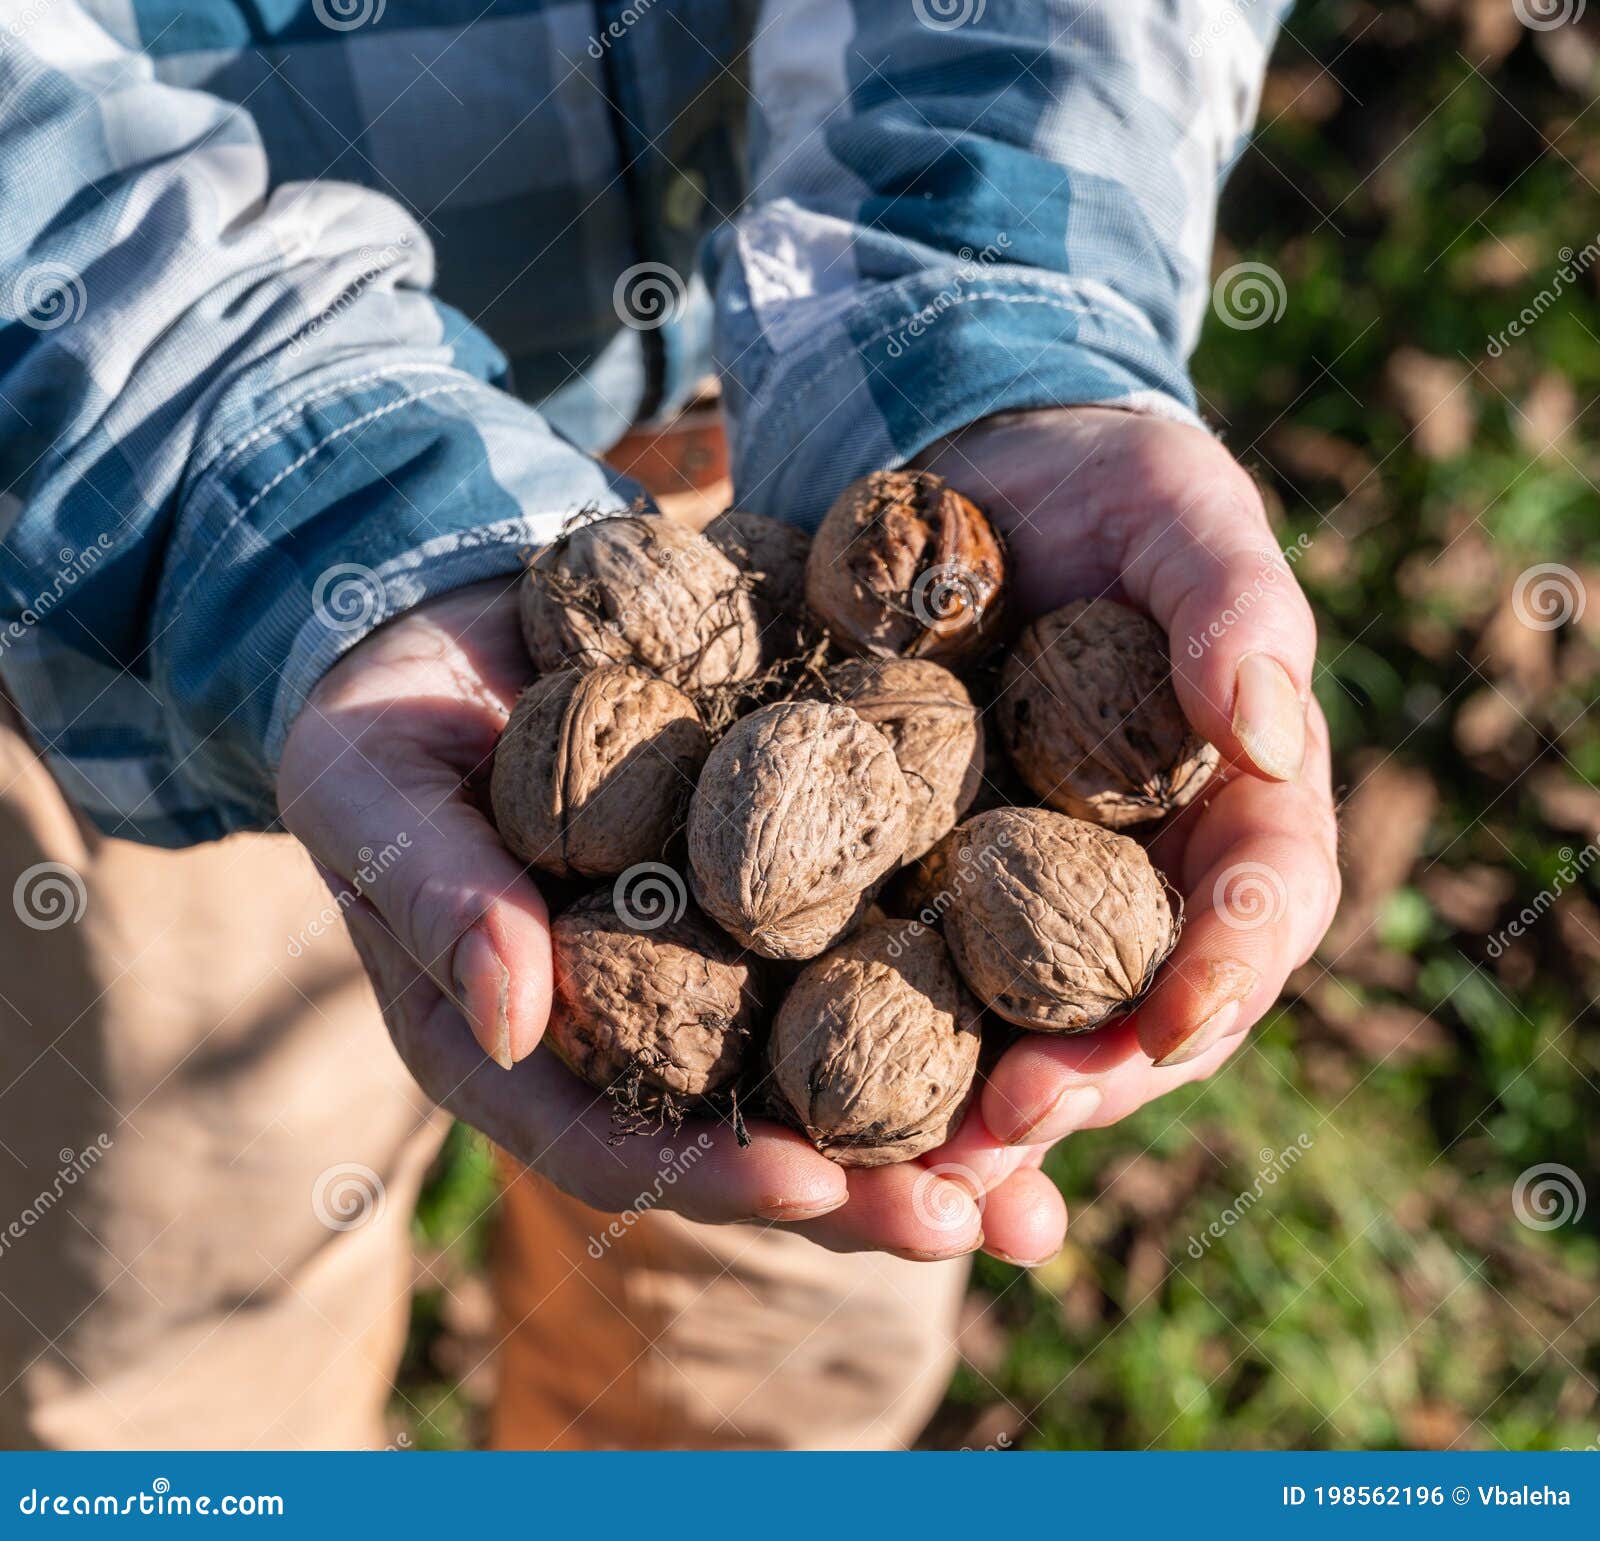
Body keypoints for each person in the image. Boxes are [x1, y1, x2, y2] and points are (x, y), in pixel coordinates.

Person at [0, 0, 1338, 1450]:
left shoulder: (894, 727)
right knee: (170, 1279)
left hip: (801, 444)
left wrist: (996, 312)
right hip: (192, 561)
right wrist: (291, 496)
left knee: (778, 1327)